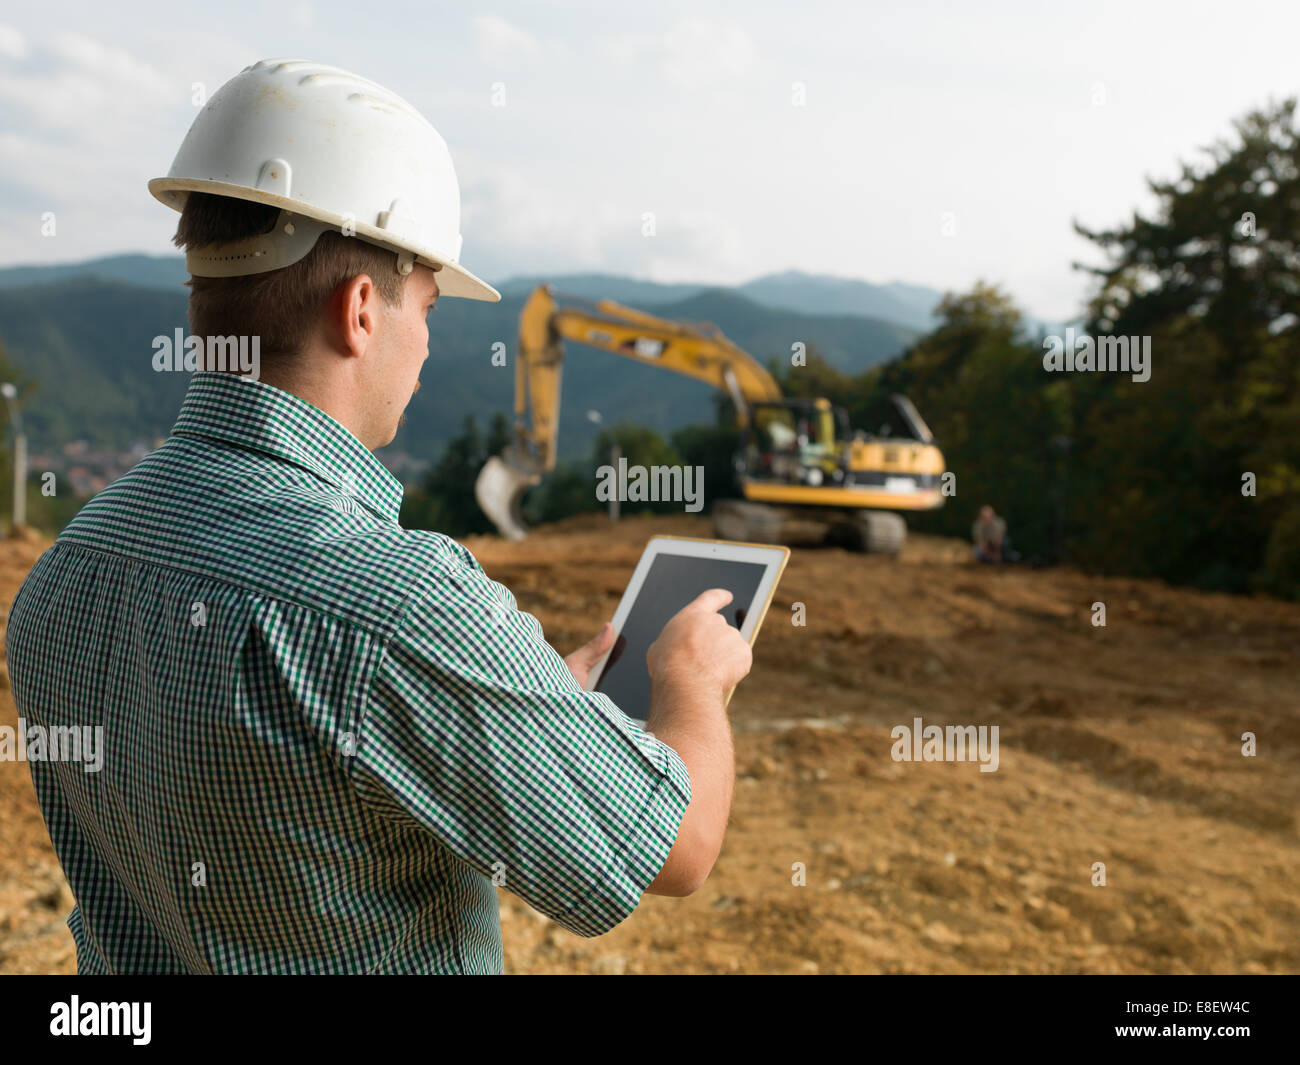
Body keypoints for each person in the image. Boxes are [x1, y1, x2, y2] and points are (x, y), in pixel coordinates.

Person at [2, 59, 750, 975]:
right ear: (361, 309)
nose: (430, 344)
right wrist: (690, 684)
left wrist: (500, 699)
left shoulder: (66, 570)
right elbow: (674, 846)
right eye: (429, 307)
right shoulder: (404, 605)